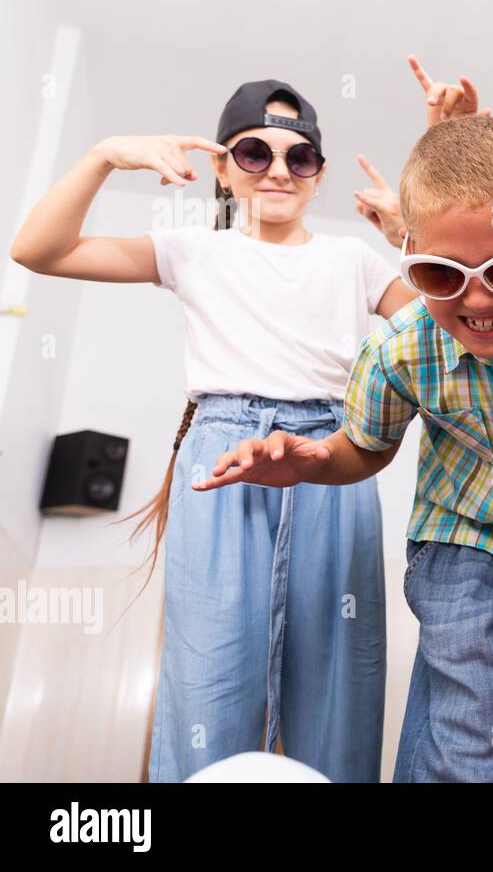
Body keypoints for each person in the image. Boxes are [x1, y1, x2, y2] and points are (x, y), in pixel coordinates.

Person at [193, 115, 493, 782]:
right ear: (409, 255)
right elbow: (365, 446)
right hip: (461, 546)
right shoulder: (399, 346)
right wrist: (314, 461)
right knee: (475, 732)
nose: (478, 300)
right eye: (442, 276)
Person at [10, 79, 412, 781]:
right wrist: (105, 156)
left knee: (340, 679)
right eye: (255, 153)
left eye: (302, 156)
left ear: (319, 172)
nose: (280, 170)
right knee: (212, 675)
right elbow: (38, 251)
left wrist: (414, 237)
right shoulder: (191, 249)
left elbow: (457, 331)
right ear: (224, 168)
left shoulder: (355, 262)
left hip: (330, 455)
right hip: (222, 454)